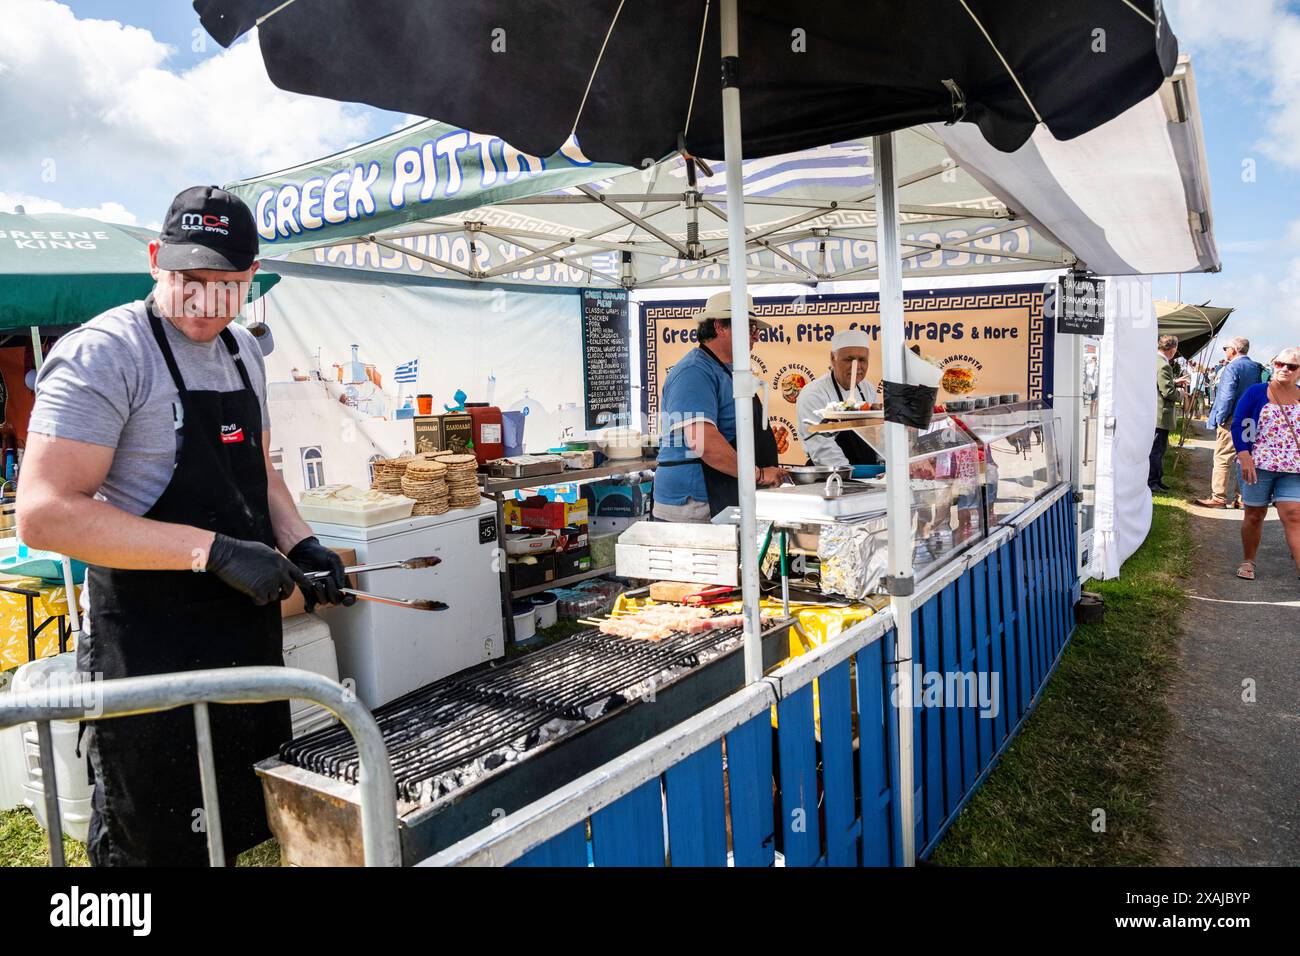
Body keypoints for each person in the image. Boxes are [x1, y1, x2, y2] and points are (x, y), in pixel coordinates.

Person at [17, 186, 354, 866]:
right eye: (190, 282)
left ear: (251, 279)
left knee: (227, 825)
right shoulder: (105, 354)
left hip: (240, 633)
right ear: (153, 261)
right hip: (150, 643)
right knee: (151, 844)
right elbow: (45, 514)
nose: (208, 304)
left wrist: (300, 542)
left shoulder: (243, 352)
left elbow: (261, 471)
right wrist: (213, 550)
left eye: (229, 286)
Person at [653, 292, 789, 521]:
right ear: (720, 327)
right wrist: (758, 474)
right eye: (750, 328)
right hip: (693, 502)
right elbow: (703, 442)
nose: (756, 337)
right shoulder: (694, 372)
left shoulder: (726, 371)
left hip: (722, 493)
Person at [1231, 346, 1300, 581]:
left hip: (1293, 469)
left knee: (1293, 515)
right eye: (1280, 364)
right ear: (1273, 364)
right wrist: (1243, 454)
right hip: (1257, 467)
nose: (1284, 369)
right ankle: (1248, 559)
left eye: (1291, 366)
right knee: (1254, 514)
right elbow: (1239, 423)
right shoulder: (1256, 392)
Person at [795, 329, 881, 473]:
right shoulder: (814, 394)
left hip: (869, 473)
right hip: (833, 476)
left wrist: (882, 469)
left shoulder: (867, 389)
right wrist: (851, 474)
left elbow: (877, 435)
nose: (856, 366)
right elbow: (822, 449)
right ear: (833, 358)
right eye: (849, 359)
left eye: (862, 360)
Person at [1193, 336, 1263, 509]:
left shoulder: (1231, 368)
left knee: (1223, 457)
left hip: (1233, 417)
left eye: (1226, 348)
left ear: (1233, 350)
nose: (1225, 351)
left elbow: (1227, 395)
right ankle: (1242, 498)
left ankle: (1218, 497)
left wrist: (1220, 417)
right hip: (1251, 418)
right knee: (1244, 457)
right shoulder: (1256, 367)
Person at [1150, 334, 1187, 492]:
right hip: (1160, 414)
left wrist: (1174, 382)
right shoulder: (1164, 365)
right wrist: (1180, 394)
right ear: (1173, 350)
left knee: (1157, 449)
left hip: (1154, 412)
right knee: (1157, 451)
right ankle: (1153, 481)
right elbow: (1167, 392)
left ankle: (1156, 479)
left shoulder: (1155, 360)